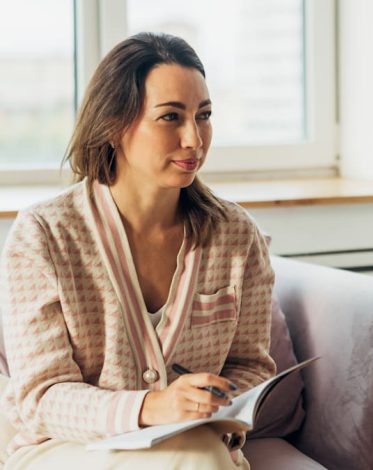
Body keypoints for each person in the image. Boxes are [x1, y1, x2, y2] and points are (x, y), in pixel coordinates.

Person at [0, 32, 276, 468]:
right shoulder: (43, 236)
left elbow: (251, 365)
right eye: (170, 117)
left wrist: (217, 409)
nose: (194, 138)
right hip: (64, 448)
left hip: (195, 445)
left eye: (204, 116)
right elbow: (41, 396)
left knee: (199, 453)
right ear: (114, 125)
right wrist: (152, 407)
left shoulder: (237, 236)